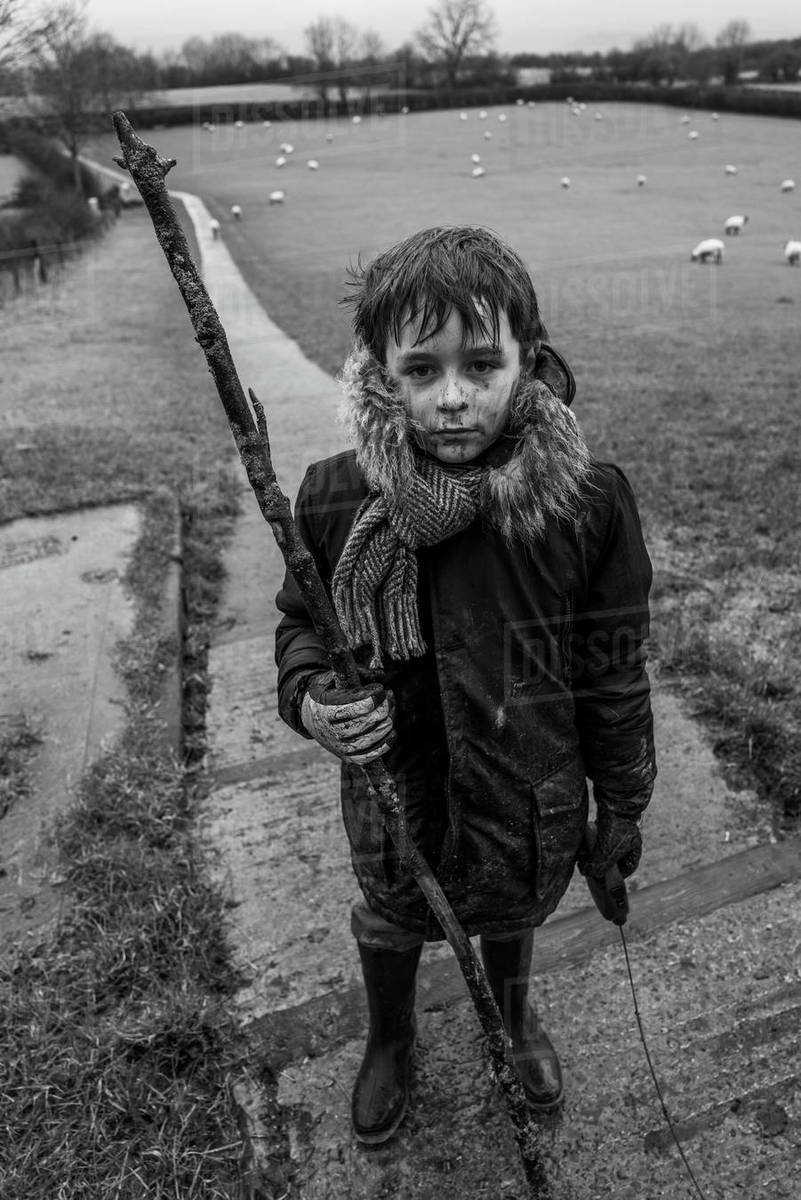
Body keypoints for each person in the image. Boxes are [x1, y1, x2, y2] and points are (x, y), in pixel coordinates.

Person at [274, 225, 656, 1145]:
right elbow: (300, 625)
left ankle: (514, 1022)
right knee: (391, 914)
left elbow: (611, 672)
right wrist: (312, 697)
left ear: (528, 359)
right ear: (381, 375)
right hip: (395, 793)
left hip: (528, 789)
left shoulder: (585, 502)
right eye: (421, 370)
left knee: (512, 904)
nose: (452, 398)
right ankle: (390, 1039)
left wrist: (622, 802)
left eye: (481, 365)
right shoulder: (334, 497)